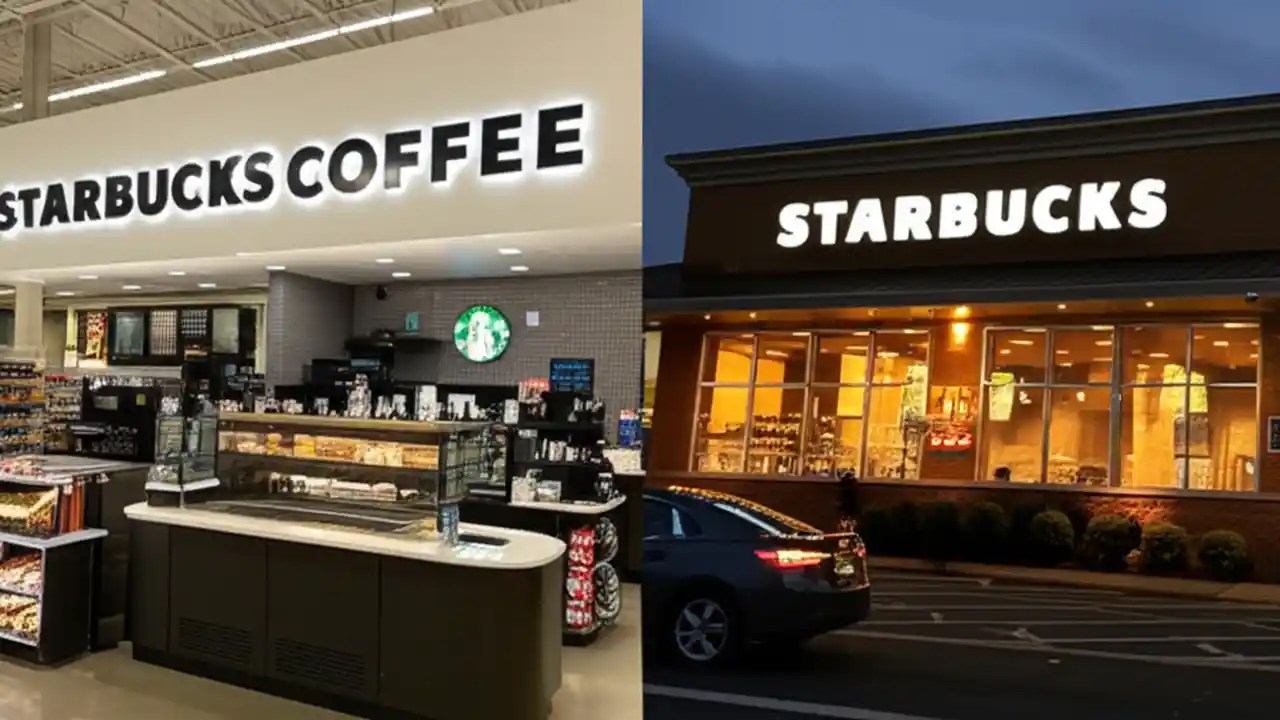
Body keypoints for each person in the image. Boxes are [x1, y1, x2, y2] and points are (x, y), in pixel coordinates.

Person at [837, 468, 860, 533]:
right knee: (850, 519)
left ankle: (846, 530)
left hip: (847, 505)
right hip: (852, 505)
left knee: (846, 519)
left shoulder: (844, 484)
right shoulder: (854, 484)